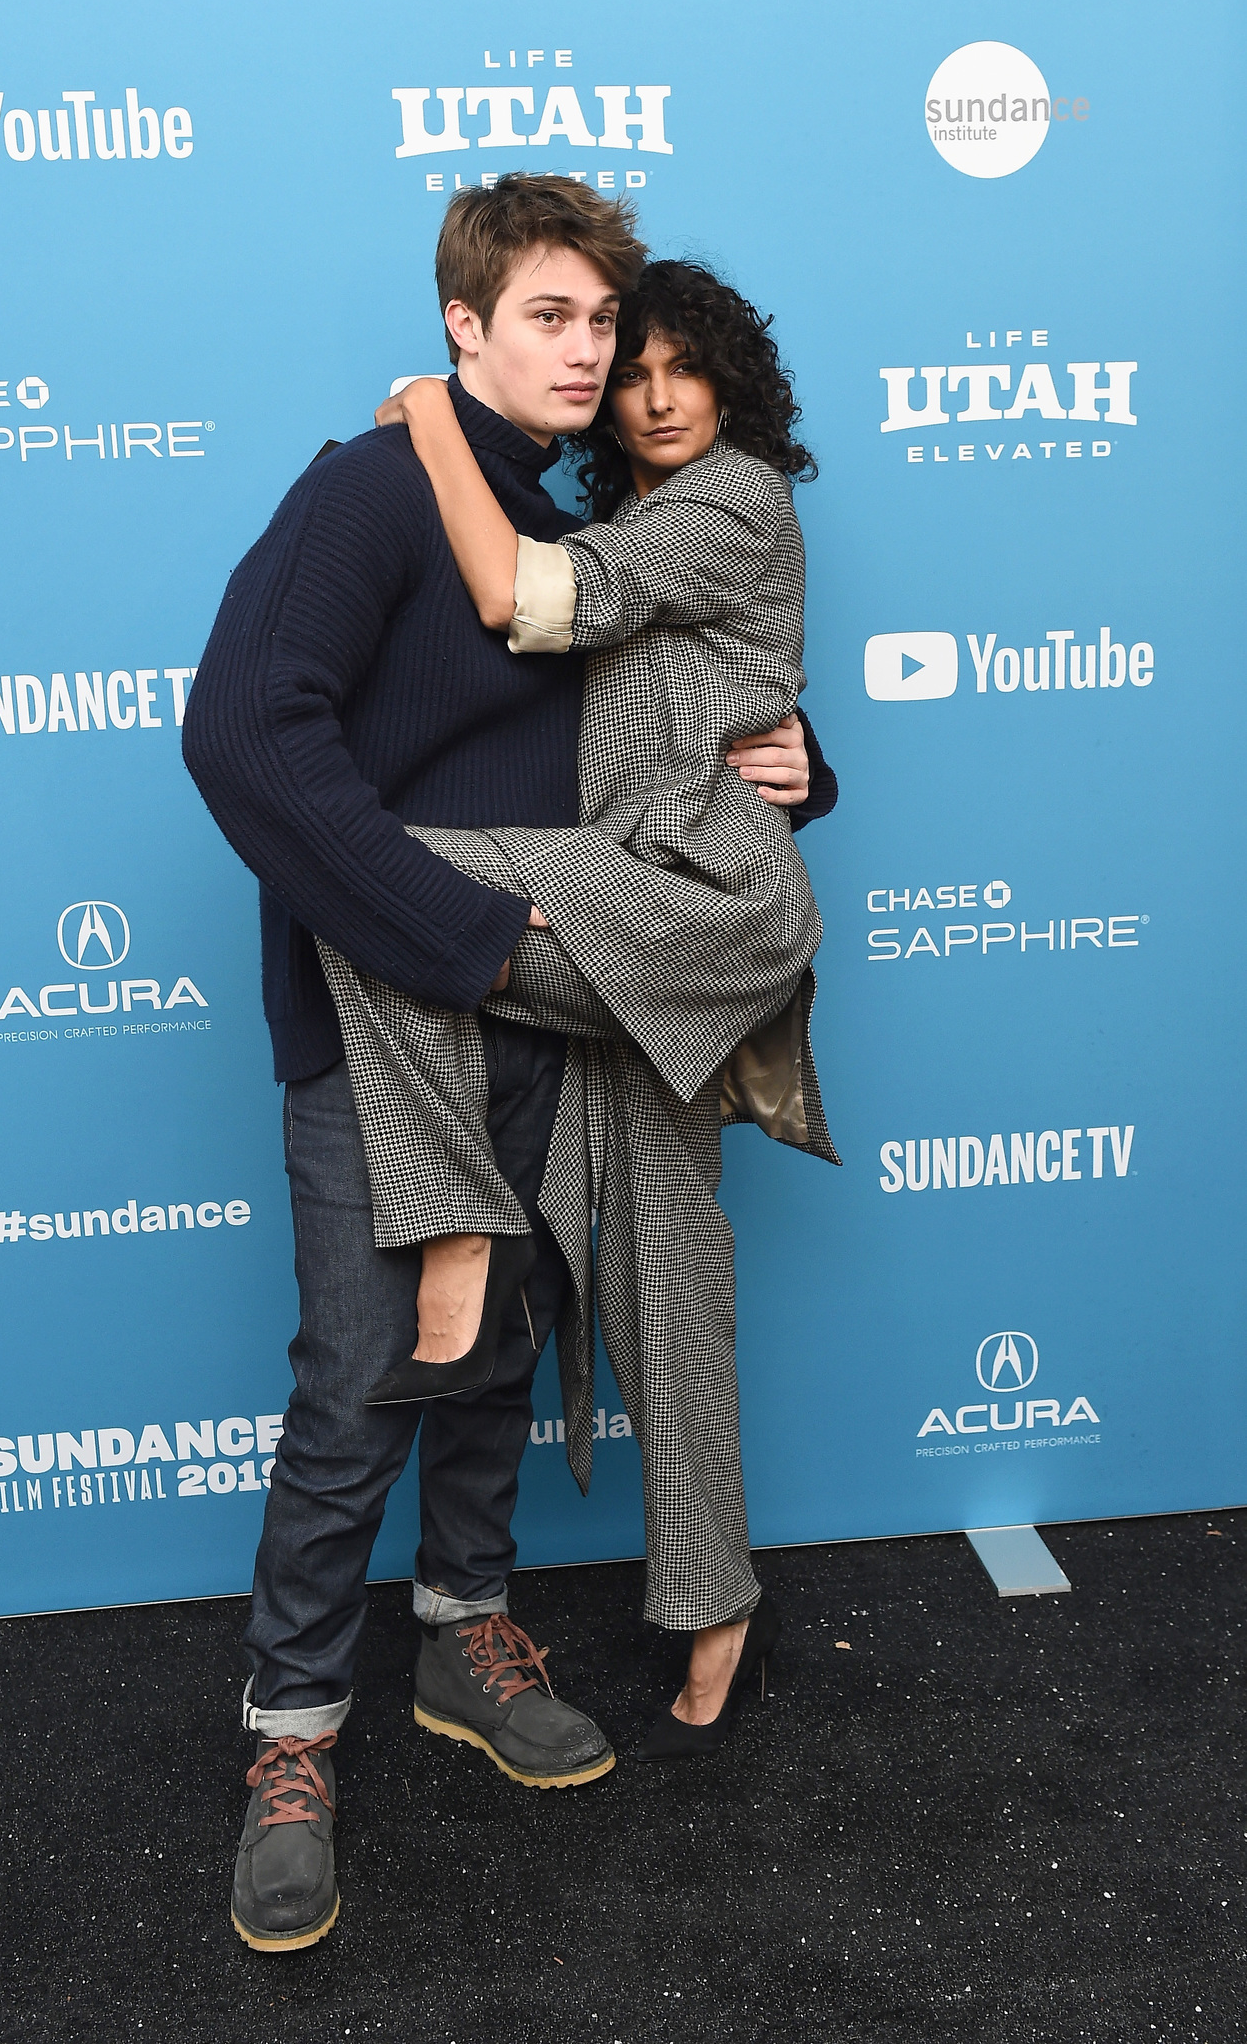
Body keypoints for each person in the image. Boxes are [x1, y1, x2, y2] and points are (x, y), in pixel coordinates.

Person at [182, 175, 836, 1954]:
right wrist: (455, 933)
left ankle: (467, 1634)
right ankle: (291, 1739)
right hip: (407, 988)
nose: (592, 354)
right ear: (462, 322)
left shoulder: (563, 506)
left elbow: (647, 694)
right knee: (362, 1383)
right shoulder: (376, 486)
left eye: (604, 323)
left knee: (497, 1360)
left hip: (543, 998)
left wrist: (792, 761)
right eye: (550, 317)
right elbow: (244, 736)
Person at [315, 255, 837, 1768]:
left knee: (373, 863)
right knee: (665, 1273)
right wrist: (792, 743)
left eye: (687, 367)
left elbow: (520, 600)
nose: (658, 393)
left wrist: (422, 412)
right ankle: (713, 1591)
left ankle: (453, 1215)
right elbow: (664, 699)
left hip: (694, 909)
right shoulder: (624, 516)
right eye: (632, 369)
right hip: (623, 897)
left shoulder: (728, 500)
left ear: (733, 383)